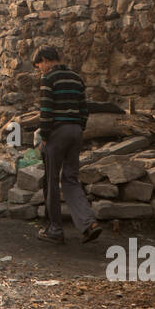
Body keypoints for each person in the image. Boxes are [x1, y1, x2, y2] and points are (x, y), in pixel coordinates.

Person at [33, 46, 100, 244]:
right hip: (76, 132)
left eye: (40, 66)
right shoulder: (76, 78)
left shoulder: (49, 79)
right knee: (71, 179)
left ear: (46, 60)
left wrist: (44, 136)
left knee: (52, 180)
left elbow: (46, 110)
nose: (41, 70)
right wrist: (79, 128)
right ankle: (89, 224)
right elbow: (84, 109)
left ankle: (55, 229)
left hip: (57, 133)